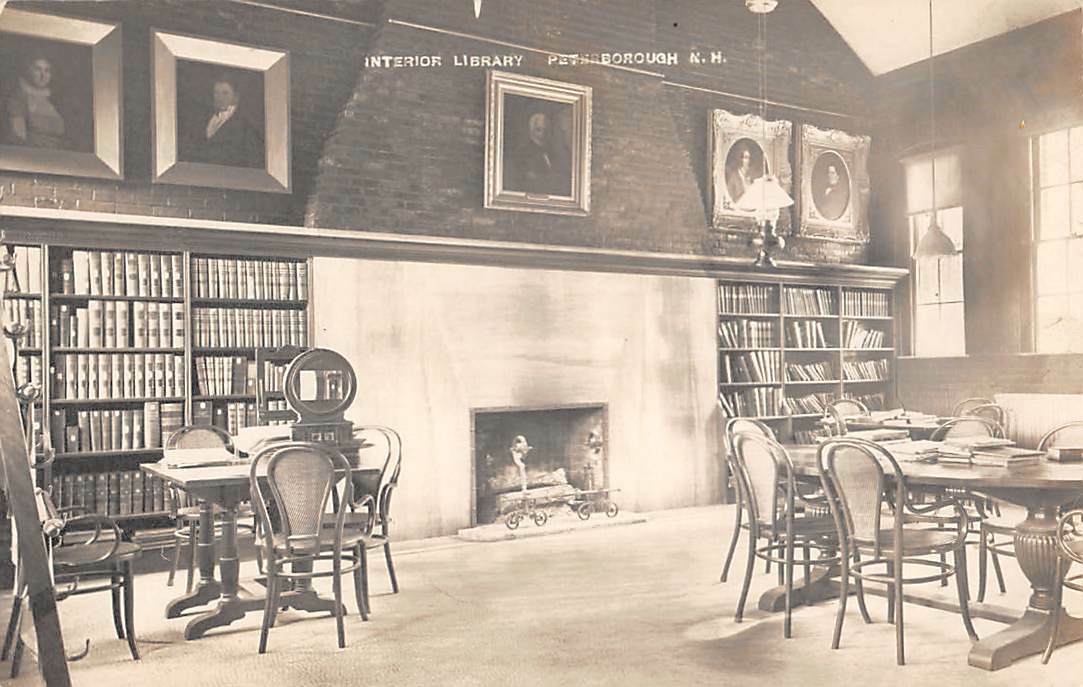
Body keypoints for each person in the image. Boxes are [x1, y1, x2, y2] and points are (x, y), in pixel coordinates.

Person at [194, 77, 262, 168]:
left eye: (225, 93)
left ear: (235, 97)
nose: (219, 98)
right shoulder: (205, 119)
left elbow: (252, 161)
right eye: (216, 93)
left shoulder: (245, 127)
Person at [4, 56, 67, 148]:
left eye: (47, 71)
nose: (43, 75)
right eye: (37, 69)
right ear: (28, 71)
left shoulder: (55, 99)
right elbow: (18, 138)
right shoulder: (18, 99)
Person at [506, 111, 571, 196]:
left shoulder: (553, 152)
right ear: (531, 130)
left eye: (546, 130)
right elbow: (526, 180)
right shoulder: (523, 153)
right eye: (539, 129)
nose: (542, 134)